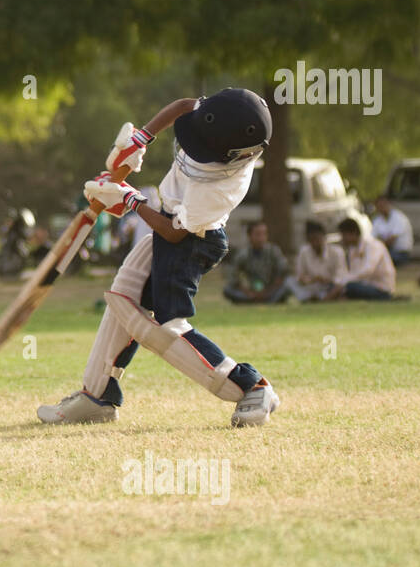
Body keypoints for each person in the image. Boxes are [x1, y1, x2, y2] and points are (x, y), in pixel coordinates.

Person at [37, 89, 280, 428]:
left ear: (233, 155)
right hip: (169, 222)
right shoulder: (219, 119)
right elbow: (184, 106)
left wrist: (131, 202)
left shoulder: (219, 189)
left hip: (194, 242)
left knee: (165, 326)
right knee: (123, 297)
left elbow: (175, 234)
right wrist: (141, 139)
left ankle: (251, 387)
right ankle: (97, 397)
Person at [223, 221, 289, 303]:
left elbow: (283, 272)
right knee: (228, 290)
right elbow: (233, 276)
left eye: (264, 234)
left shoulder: (274, 251)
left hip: (271, 290)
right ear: (249, 236)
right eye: (258, 234)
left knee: (287, 286)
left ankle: (264, 301)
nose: (261, 238)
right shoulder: (243, 254)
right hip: (251, 290)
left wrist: (268, 291)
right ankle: (255, 300)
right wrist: (248, 292)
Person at [284, 221, 347, 302]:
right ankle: (309, 298)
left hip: (329, 287)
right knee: (289, 281)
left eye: (317, 239)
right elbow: (299, 276)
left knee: (340, 287)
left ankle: (322, 299)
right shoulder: (304, 252)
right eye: (312, 240)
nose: (315, 243)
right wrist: (310, 279)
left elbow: (341, 278)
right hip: (311, 287)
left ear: (324, 237)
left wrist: (326, 280)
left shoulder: (336, 252)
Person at [334, 218, 396, 300]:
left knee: (349, 287)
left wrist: (345, 282)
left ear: (354, 233)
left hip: (381, 289)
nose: (342, 239)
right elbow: (353, 273)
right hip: (364, 286)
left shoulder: (373, 245)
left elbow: (368, 270)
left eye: (344, 235)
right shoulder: (352, 249)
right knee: (339, 286)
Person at [370, 195, 414, 267]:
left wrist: (378, 244)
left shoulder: (399, 218)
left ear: (389, 204)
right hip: (386, 251)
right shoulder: (377, 220)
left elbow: (391, 241)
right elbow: (372, 239)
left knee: (377, 259)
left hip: (401, 253)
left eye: (383, 205)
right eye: (379, 206)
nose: (381, 208)